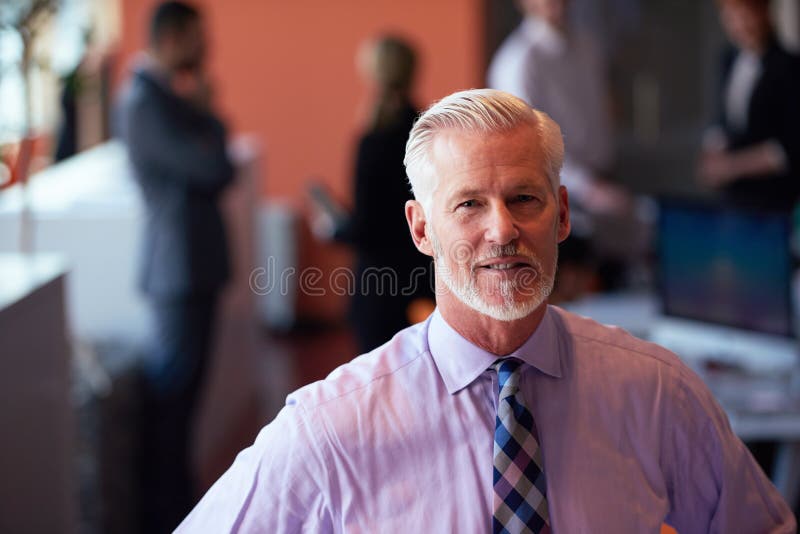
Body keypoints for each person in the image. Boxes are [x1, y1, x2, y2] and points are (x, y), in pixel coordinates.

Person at [176, 90, 793, 532]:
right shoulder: (330, 429)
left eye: (524, 198)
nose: (502, 230)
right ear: (422, 230)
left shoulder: (657, 392)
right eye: (469, 204)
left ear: (564, 214)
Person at [116, 2, 234, 532]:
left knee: (185, 405)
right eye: (198, 37)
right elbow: (212, 165)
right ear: (173, 38)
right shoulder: (144, 101)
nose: (206, 47)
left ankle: (178, 511)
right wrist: (207, 111)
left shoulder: (164, 97)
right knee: (172, 404)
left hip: (192, 266)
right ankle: (164, 517)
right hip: (176, 268)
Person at [311, 36, 433, 353]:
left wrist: (334, 228)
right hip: (425, 276)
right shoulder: (428, 132)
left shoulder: (374, 140)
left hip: (380, 287)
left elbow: (367, 227)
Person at [699, 0, 800, 212]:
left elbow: (788, 148)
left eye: (746, 15)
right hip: (733, 199)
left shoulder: (789, 67)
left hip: (772, 200)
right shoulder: (727, 60)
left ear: (764, 13)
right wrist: (712, 152)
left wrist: (731, 167)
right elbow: (722, 120)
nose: (740, 24)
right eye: (732, 16)